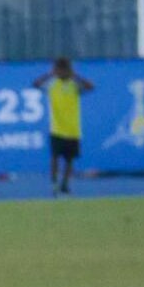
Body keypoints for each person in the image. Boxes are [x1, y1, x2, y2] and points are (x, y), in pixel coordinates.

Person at [32, 58, 94, 195]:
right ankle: (54, 183)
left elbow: (91, 87)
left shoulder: (74, 85)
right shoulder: (52, 84)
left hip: (73, 129)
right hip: (57, 128)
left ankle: (65, 184)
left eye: (64, 70)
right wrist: (49, 74)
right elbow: (35, 84)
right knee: (55, 157)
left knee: (69, 159)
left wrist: (76, 76)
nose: (61, 73)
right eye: (59, 70)